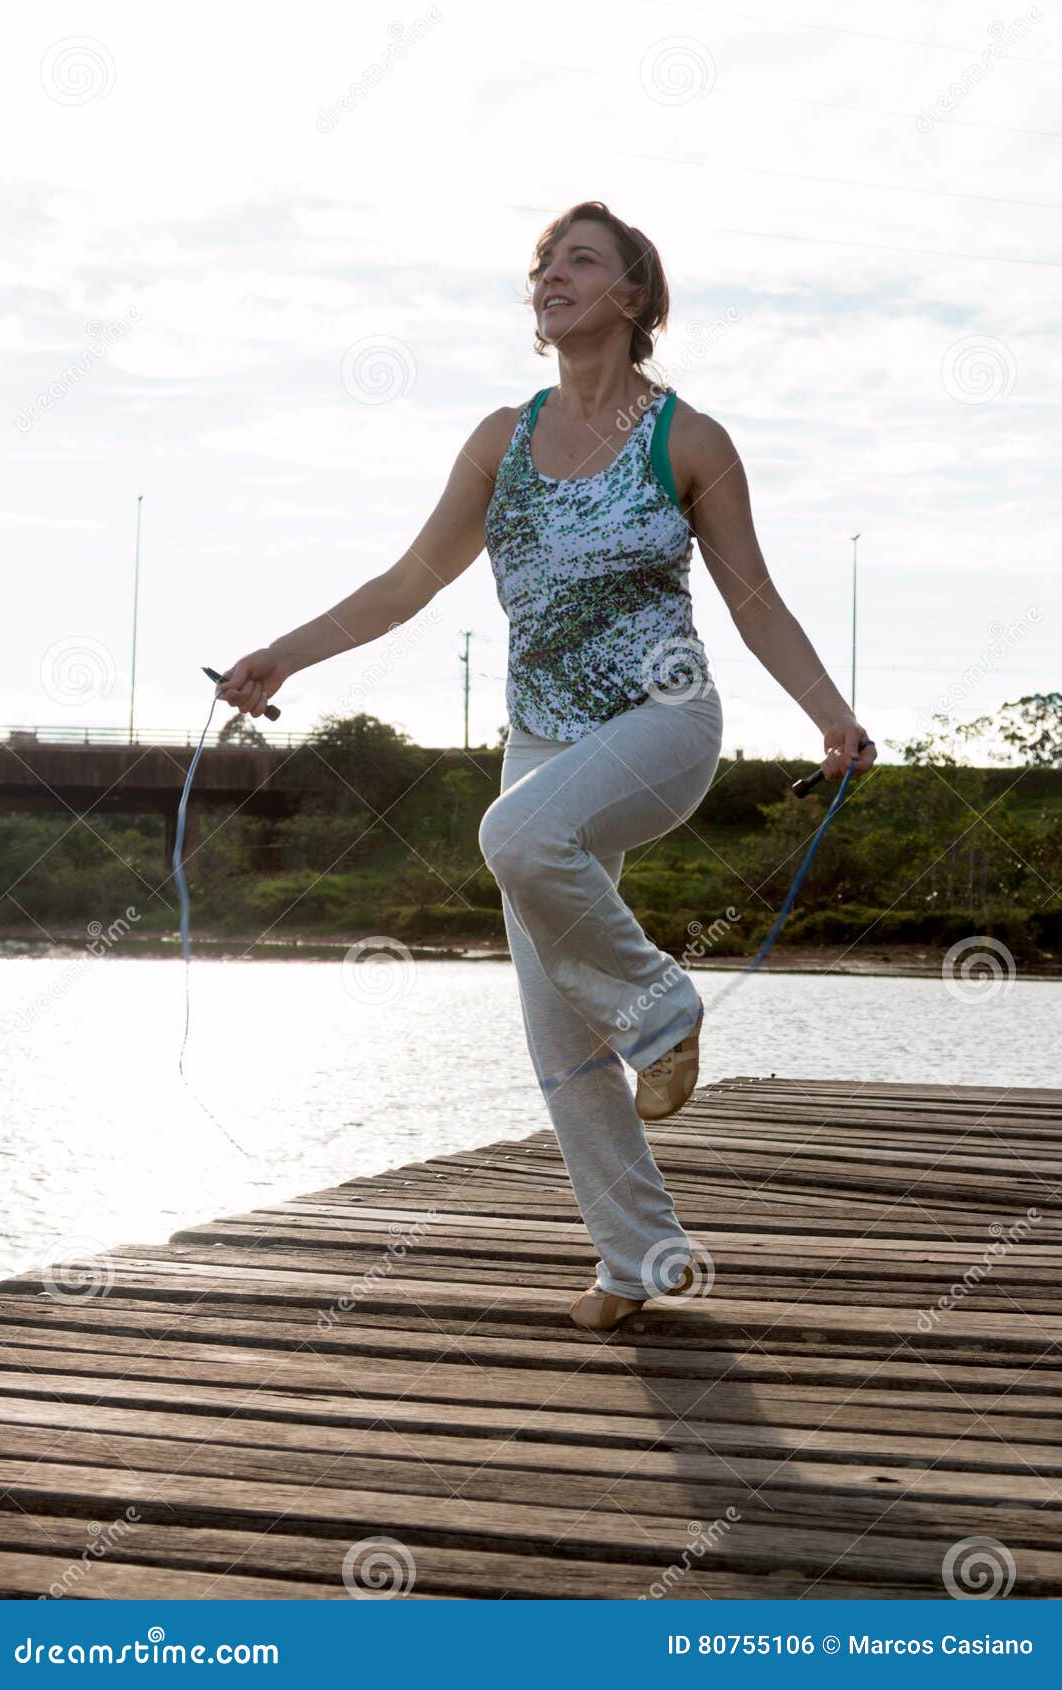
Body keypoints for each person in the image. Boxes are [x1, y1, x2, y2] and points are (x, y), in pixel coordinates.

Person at [218, 199, 877, 1335]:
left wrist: (832, 717)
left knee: (514, 838)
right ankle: (639, 1259)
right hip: (545, 736)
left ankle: (664, 1009)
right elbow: (409, 579)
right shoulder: (500, 440)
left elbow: (753, 601)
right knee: (550, 1023)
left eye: (578, 261)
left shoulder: (689, 441)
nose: (549, 277)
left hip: (663, 721)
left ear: (632, 296)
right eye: (540, 265)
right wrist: (286, 651)